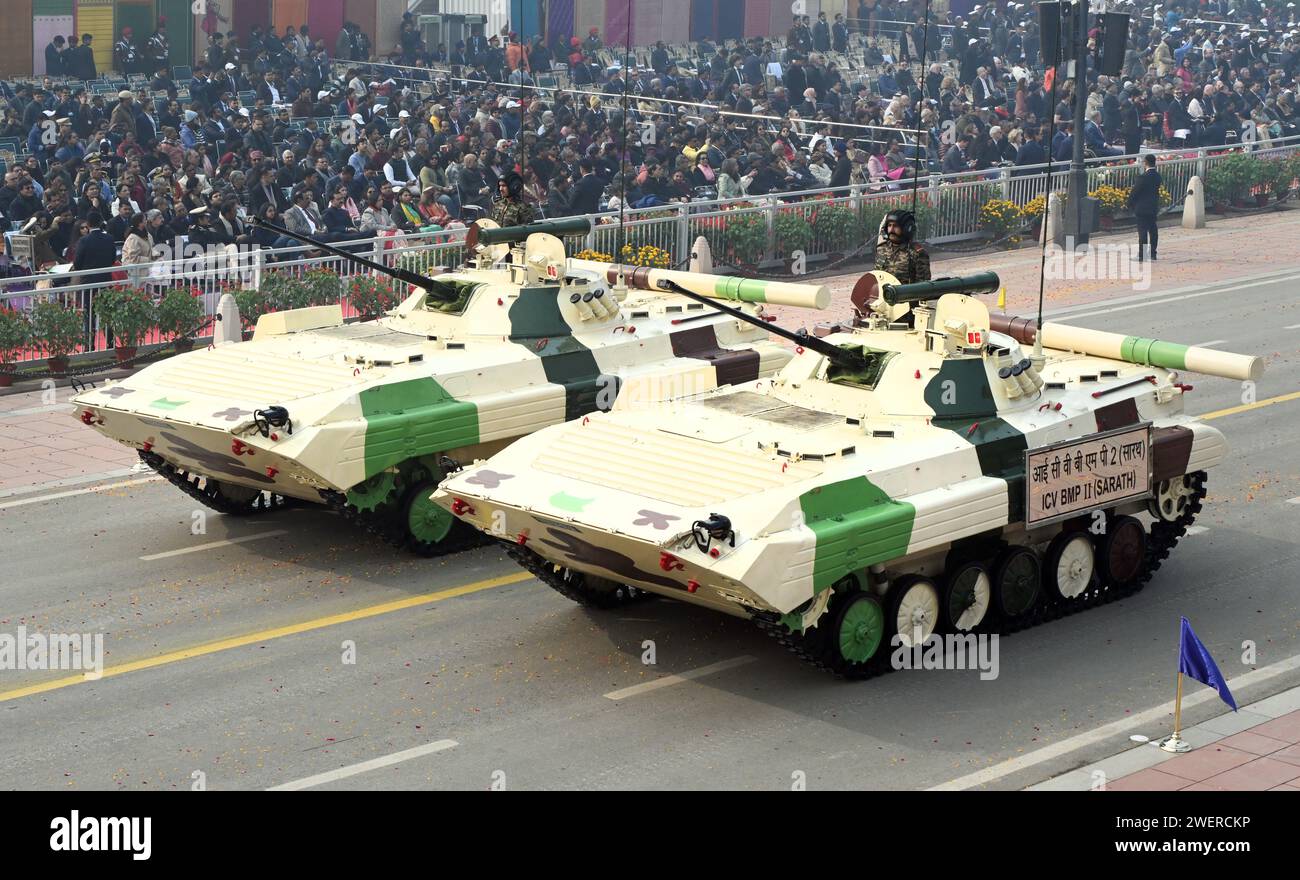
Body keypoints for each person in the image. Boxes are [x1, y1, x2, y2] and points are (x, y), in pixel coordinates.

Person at [874, 209, 931, 326]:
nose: (891, 229)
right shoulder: (881, 249)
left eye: (896, 226)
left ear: (907, 229)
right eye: (889, 225)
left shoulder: (917, 253)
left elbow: (923, 287)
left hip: (906, 314)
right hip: (883, 308)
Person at [1127, 153, 1162, 262]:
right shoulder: (1157, 176)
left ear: (1145, 163)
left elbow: (1135, 192)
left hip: (1142, 208)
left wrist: (1129, 203)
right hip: (1153, 207)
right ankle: (1153, 253)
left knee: (1142, 232)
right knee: (1153, 230)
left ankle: (1142, 255)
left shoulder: (1142, 177)